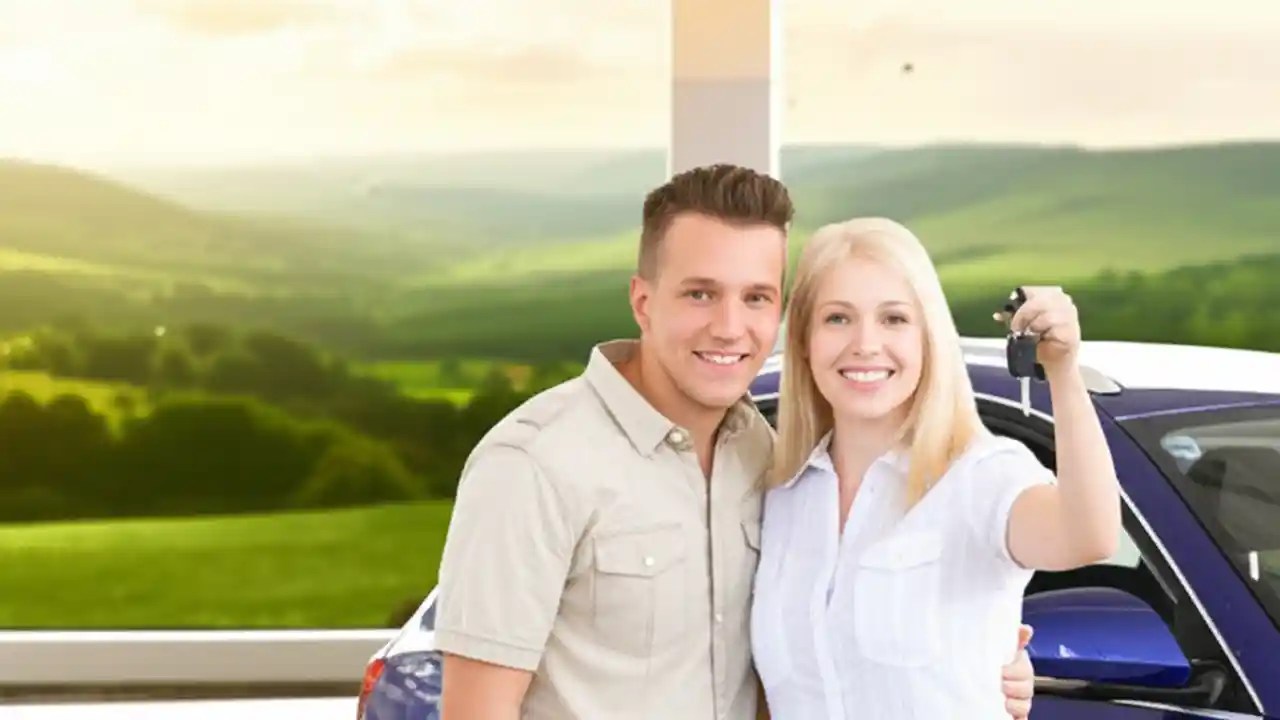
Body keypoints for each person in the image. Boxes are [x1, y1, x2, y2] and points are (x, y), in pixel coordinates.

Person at [433, 166, 1037, 720]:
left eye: (755, 298)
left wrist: (975, 665)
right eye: (700, 294)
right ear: (643, 302)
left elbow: (807, 653)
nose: (729, 327)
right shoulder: (534, 465)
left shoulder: (768, 459)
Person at [752, 217, 1121, 718]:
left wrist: (1062, 369)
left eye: (894, 319)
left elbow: (1090, 534)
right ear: (803, 341)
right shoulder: (779, 494)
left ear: (929, 339)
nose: (865, 343)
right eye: (838, 318)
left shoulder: (982, 476)